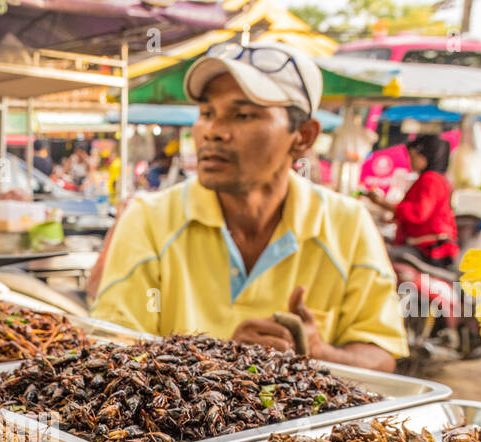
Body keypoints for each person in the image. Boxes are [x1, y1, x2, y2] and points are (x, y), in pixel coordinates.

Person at [90, 43, 406, 372]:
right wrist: (224, 360)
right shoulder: (149, 221)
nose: (212, 132)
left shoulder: (348, 225)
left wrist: (317, 351)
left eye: (242, 115)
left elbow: (381, 356)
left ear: (303, 136)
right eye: (207, 114)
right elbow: (113, 353)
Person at [366, 134, 459, 269]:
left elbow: (418, 213)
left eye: (413, 156)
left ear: (424, 156)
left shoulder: (431, 179)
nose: (410, 161)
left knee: (377, 257)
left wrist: (381, 202)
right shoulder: (438, 179)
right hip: (428, 247)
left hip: (430, 250)